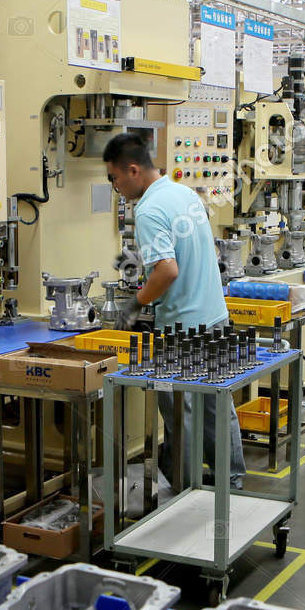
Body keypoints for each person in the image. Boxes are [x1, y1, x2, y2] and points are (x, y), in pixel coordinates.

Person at [103, 131, 246, 490]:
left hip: (183, 330)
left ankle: (188, 491)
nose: (115, 187)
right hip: (214, 315)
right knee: (216, 405)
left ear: (132, 170)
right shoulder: (183, 192)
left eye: (114, 178)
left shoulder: (149, 210)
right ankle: (232, 479)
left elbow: (167, 269)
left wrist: (136, 303)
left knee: (182, 413)